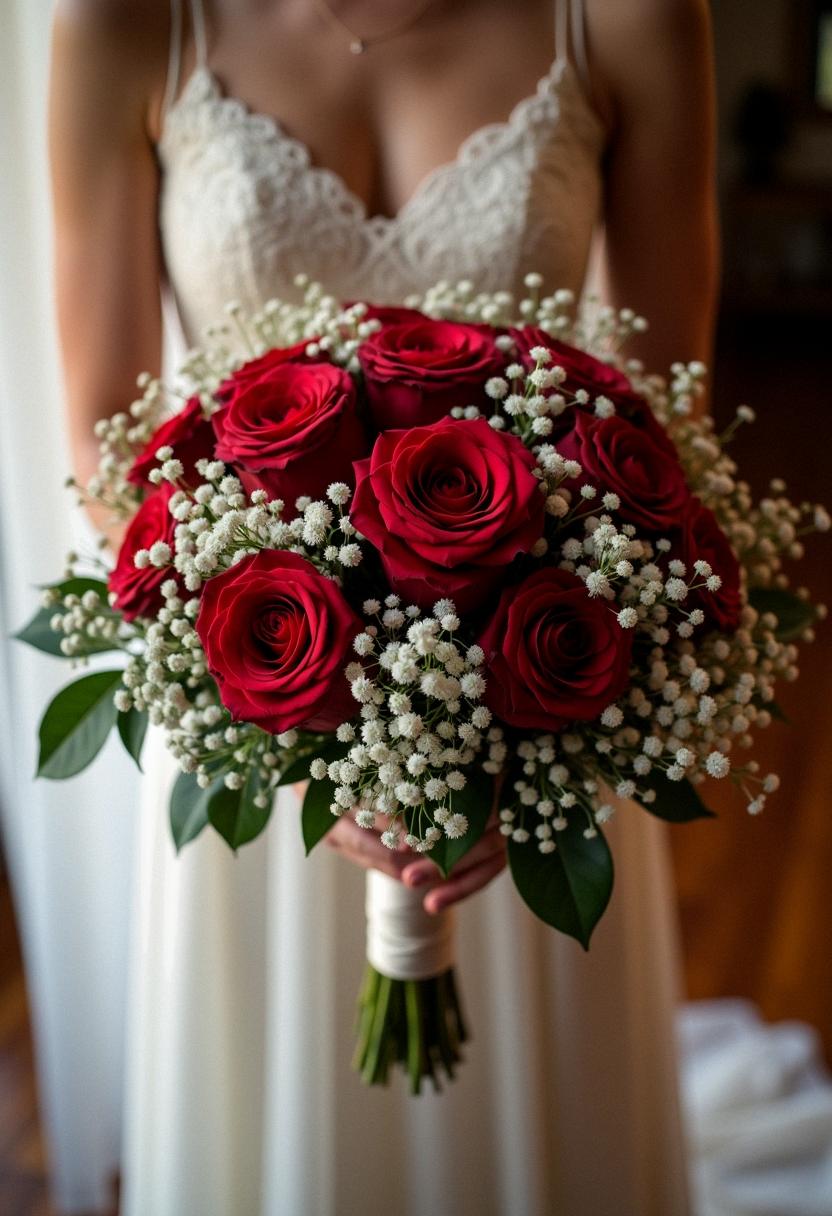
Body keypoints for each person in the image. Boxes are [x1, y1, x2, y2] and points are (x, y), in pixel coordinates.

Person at [49, 1, 717, 1212]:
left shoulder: (629, 18)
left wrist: (517, 733)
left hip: (544, 711)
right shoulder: (127, 25)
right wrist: (300, 740)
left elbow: (665, 428)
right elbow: (110, 461)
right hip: (252, 724)